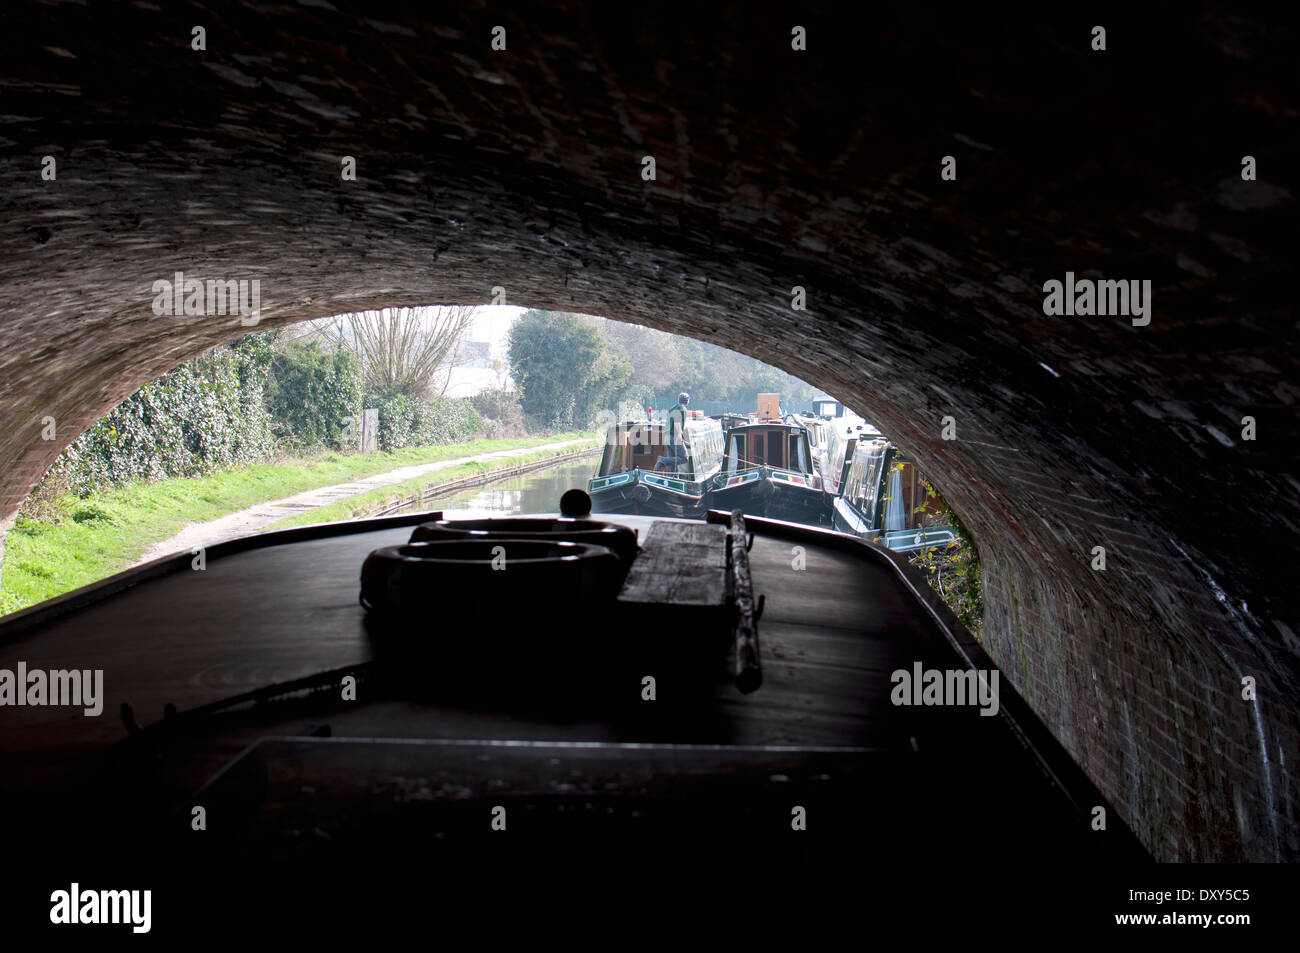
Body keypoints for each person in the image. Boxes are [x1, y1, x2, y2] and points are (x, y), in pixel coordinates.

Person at [663, 392, 691, 474]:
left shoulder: (672, 408)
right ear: (687, 401)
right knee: (684, 457)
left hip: (667, 437)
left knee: (673, 461)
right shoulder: (683, 409)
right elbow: (677, 422)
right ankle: (662, 460)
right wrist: (680, 436)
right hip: (674, 437)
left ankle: (674, 478)